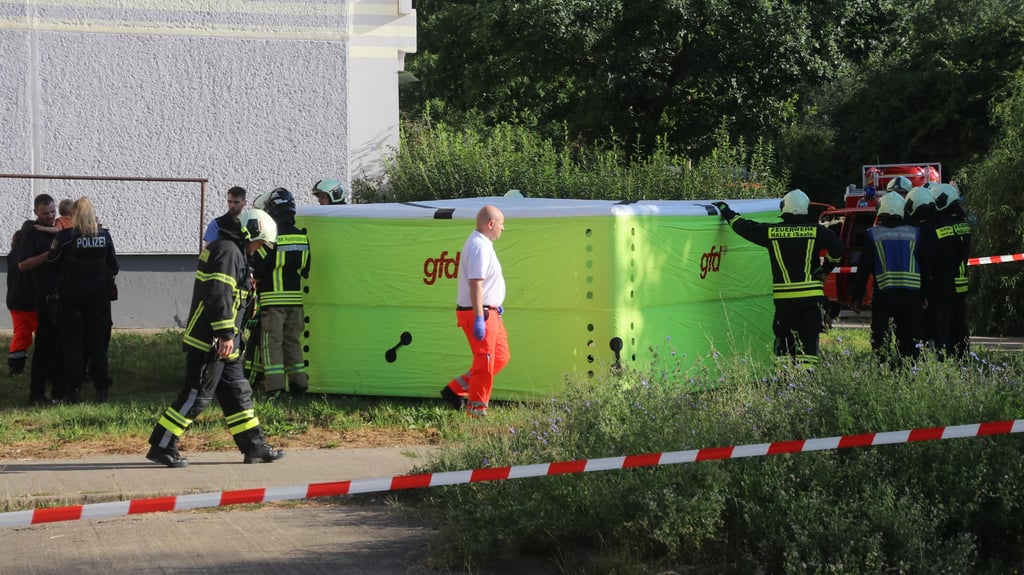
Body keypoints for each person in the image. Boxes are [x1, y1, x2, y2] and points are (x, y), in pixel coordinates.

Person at [146, 207, 285, 468]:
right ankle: (162, 445)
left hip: (227, 342)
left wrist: (230, 336)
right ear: (251, 232)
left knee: (238, 394)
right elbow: (217, 294)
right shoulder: (228, 251)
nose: (259, 247)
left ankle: (254, 446)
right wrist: (223, 333)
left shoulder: (235, 252)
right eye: (260, 241)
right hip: (211, 341)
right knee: (196, 396)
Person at [714, 190, 843, 369]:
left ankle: (785, 383)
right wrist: (823, 271)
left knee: (785, 344)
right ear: (805, 209)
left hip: (786, 303)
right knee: (809, 346)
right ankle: (807, 385)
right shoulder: (816, 231)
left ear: (784, 209)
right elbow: (838, 247)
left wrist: (725, 210)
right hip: (811, 301)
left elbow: (743, 227)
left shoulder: (772, 232)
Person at [46, 197, 119, 403]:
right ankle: (101, 389)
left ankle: (74, 391)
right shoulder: (104, 236)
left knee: (73, 344)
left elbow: (51, 261)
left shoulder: (66, 237)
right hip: (99, 297)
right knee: (97, 342)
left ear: (73, 214)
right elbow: (114, 266)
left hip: (72, 296)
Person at [440, 205, 510, 417]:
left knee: (500, 357)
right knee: (484, 362)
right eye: (501, 224)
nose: (503, 229)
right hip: (480, 314)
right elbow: (475, 284)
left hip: (489, 312)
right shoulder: (479, 246)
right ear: (491, 224)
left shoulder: (483, 244)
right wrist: (480, 316)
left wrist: (495, 302)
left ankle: (454, 390)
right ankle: (476, 411)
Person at [850, 192, 931, 363]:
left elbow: (863, 269)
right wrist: (924, 295)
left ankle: (883, 369)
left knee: (881, 335)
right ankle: (910, 369)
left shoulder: (873, 234)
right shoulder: (916, 234)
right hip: (911, 296)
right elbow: (925, 267)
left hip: (884, 294)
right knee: (910, 336)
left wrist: (857, 297)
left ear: (881, 211)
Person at [251, 188, 311, 400]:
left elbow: (257, 268)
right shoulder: (303, 238)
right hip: (295, 301)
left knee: (271, 344)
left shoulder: (271, 238)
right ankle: (299, 386)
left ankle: (274, 389)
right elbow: (305, 269)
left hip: (273, 302)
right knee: (292, 342)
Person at [17, 194, 65, 404]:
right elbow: (23, 265)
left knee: (62, 345)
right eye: (45, 213)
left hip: (63, 294)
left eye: (53, 212)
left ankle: (59, 390)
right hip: (44, 296)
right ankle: (36, 393)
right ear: (36, 212)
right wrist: (48, 254)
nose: (50, 216)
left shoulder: (58, 230)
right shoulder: (31, 234)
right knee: (45, 346)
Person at [931, 183, 972, 359]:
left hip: (943, 285)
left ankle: (944, 357)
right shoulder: (964, 225)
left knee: (943, 326)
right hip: (961, 284)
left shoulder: (942, 228)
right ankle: (963, 357)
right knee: (959, 324)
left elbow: (939, 259)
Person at [7, 229, 37, 376]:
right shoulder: (30, 258)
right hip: (30, 303)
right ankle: (47, 366)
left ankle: (15, 367)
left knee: (21, 334)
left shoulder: (12, 255)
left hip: (14, 302)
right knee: (44, 334)